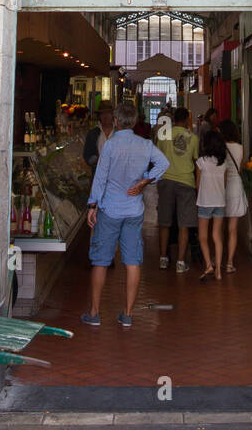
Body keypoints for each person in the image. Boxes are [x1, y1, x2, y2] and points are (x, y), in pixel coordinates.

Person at [82, 101, 169, 328]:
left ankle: (94, 313)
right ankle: (128, 313)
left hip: (110, 209)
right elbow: (164, 162)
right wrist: (146, 180)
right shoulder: (146, 144)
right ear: (137, 121)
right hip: (133, 210)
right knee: (132, 261)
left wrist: (92, 205)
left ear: (117, 121)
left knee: (100, 261)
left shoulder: (110, 146)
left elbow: (100, 177)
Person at [156, 107, 198, 272]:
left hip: (166, 180)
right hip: (186, 182)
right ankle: (180, 262)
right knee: (184, 224)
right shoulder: (193, 138)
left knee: (164, 222)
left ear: (173, 119)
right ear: (187, 119)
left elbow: (157, 157)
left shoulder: (164, 136)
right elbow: (196, 161)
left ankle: (163, 258)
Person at [195, 128, 228, 281]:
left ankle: (209, 264)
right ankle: (219, 271)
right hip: (220, 202)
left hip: (204, 202)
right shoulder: (224, 164)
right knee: (217, 236)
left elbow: (197, 183)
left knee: (203, 236)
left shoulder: (201, 162)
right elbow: (225, 183)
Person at [218, 118, 247, 272]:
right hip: (235, 187)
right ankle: (229, 263)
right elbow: (240, 169)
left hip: (221, 188)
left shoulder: (219, 147)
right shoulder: (241, 148)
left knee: (219, 227)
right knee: (232, 229)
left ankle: (218, 258)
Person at [83, 101, 114, 176]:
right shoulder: (92, 134)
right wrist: (96, 160)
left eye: (108, 113)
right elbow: (87, 156)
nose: (105, 116)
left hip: (117, 177)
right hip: (98, 176)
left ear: (112, 115)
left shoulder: (118, 132)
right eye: (102, 114)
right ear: (99, 116)